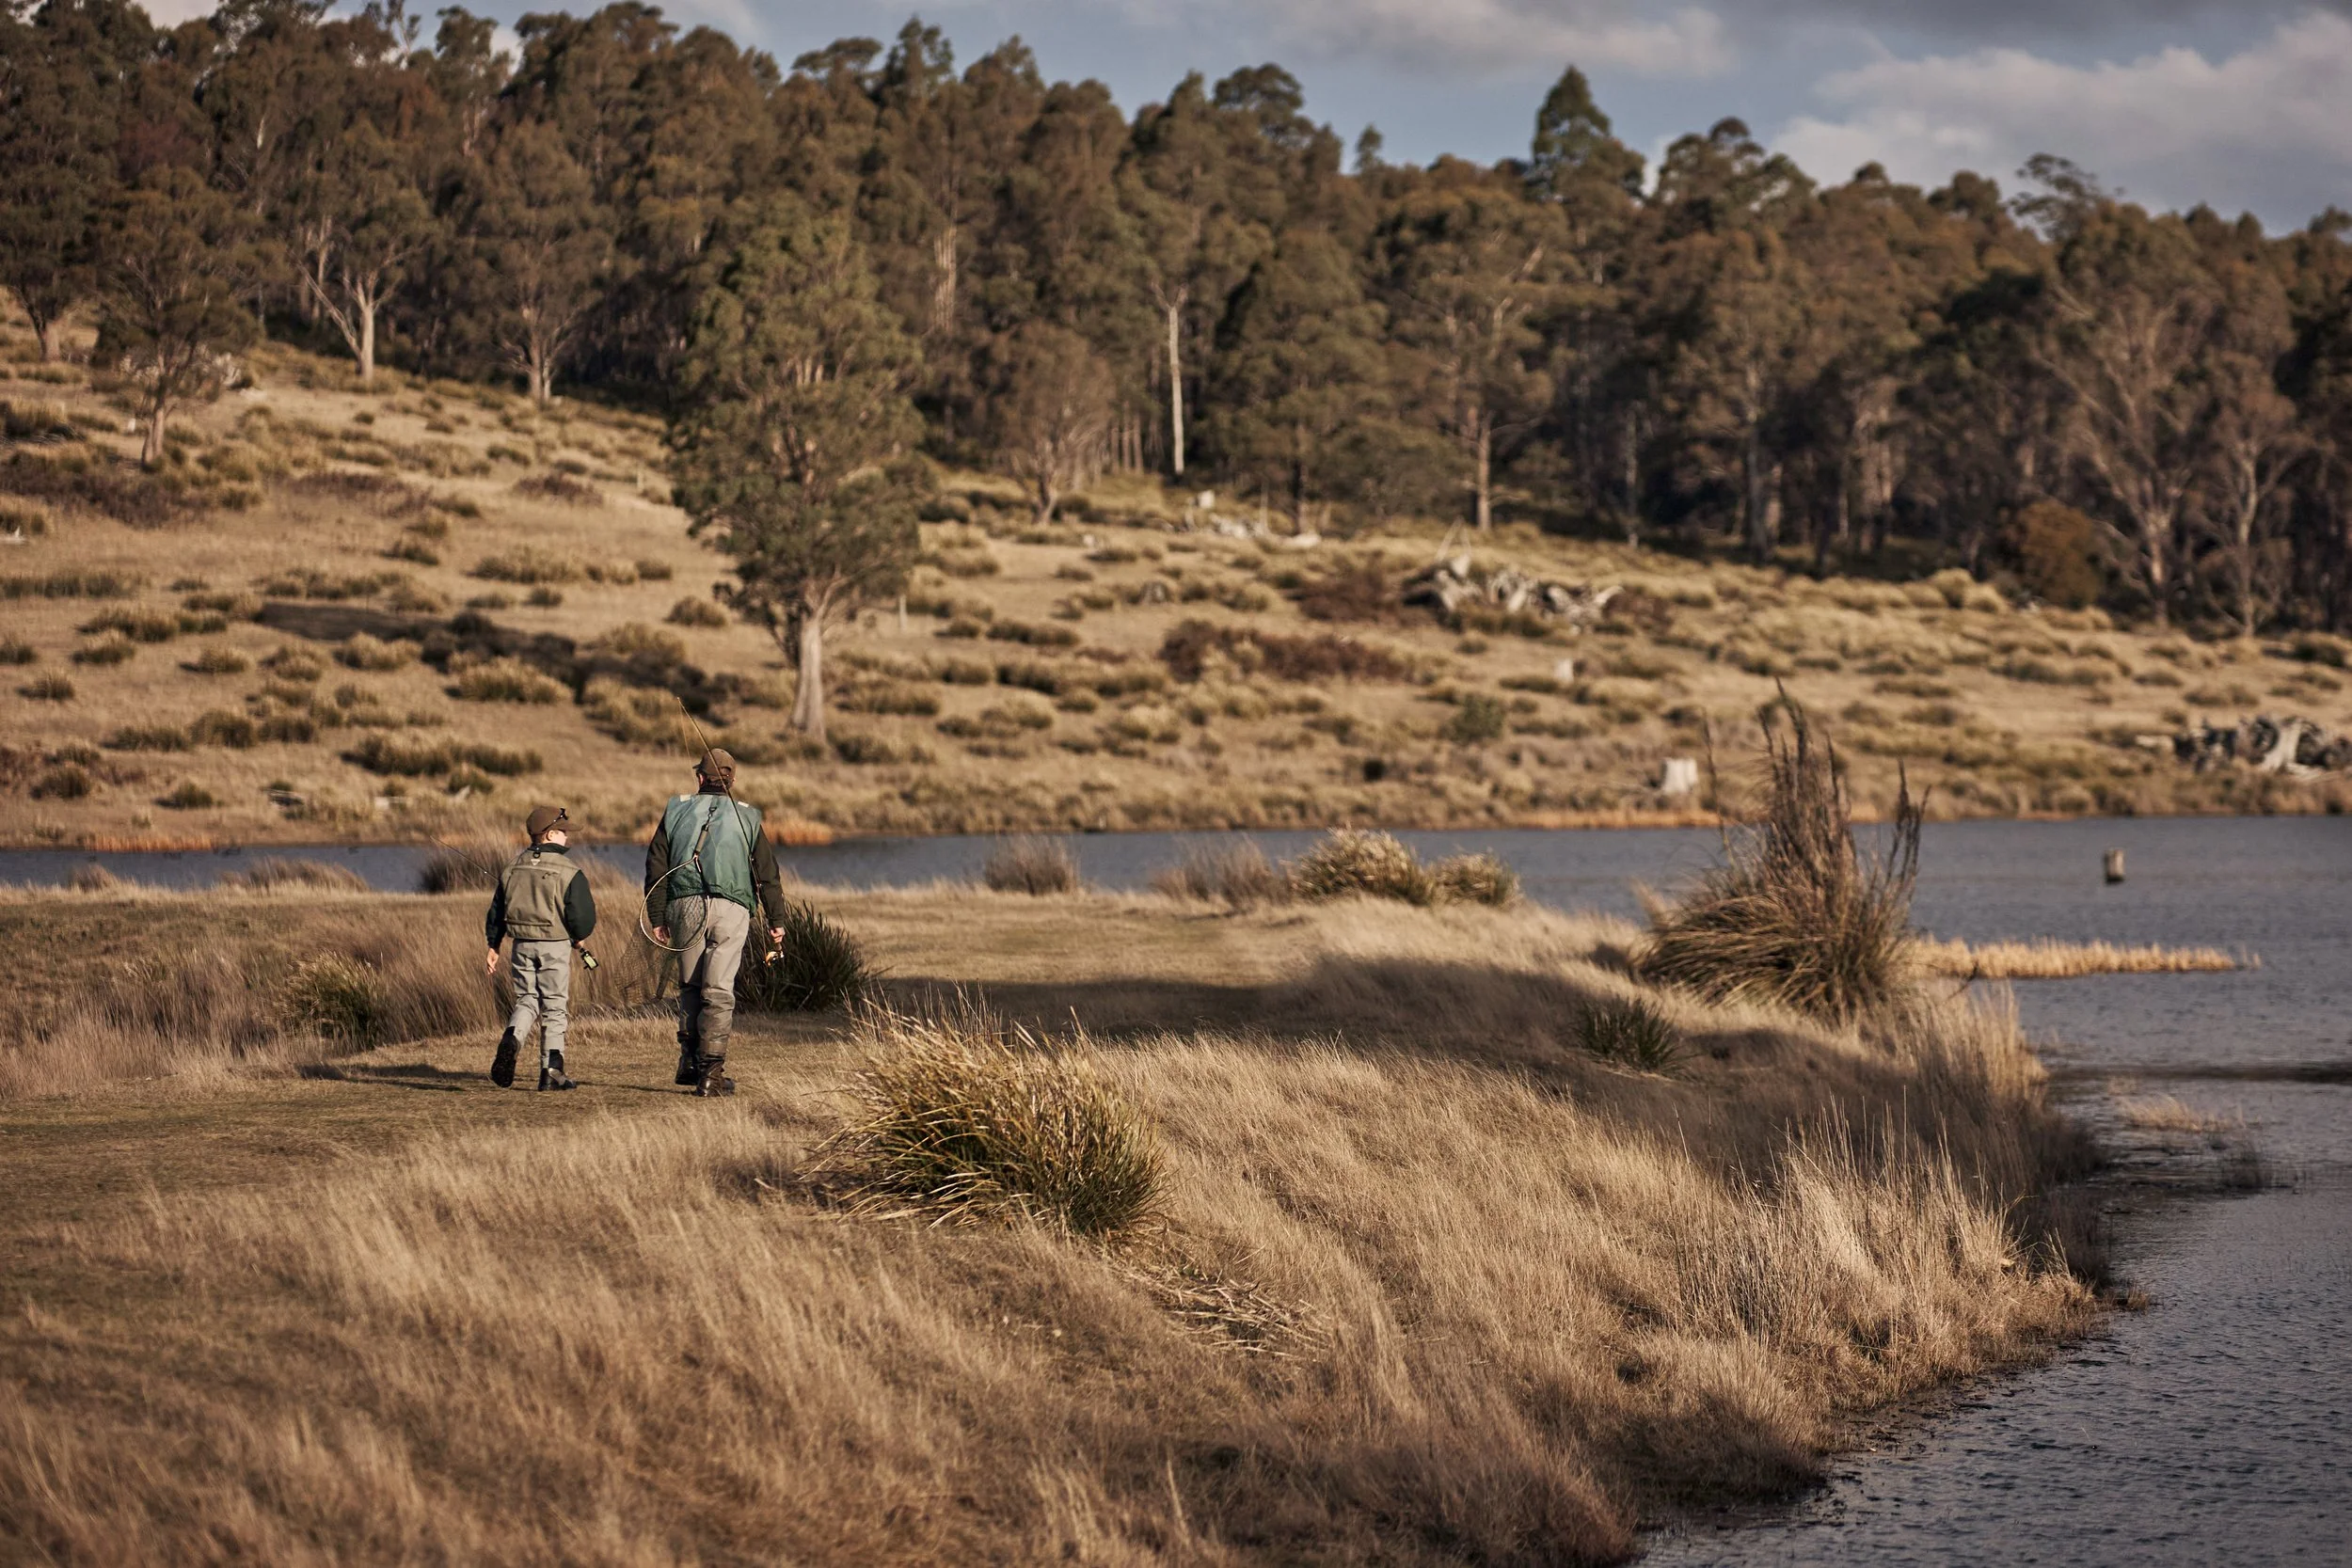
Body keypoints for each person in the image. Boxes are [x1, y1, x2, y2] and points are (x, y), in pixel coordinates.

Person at [644, 749, 786, 1097]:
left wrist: (658, 915)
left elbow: (655, 867)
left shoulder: (675, 809)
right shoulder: (747, 817)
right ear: (732, 780)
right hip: (732, 908)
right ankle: (711, 1073)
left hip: (683, 906)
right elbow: (767, 873)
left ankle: (689, 1063)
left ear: (699, 778)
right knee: (718, 991)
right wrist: (776, 919)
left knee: (691, 987)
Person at [485, 805, 598, 1090]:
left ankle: (512, 1038)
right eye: (563, 833)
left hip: (520, 946)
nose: (567, 839)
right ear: (548, 835)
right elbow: (582, 916)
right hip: (555, 947)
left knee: (527, 1000)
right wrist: (579, 936)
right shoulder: (570, 870)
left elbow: (497, 910)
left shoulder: (512, 866)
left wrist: (494, 945)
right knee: (555, 1008)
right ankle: (551, 1072)